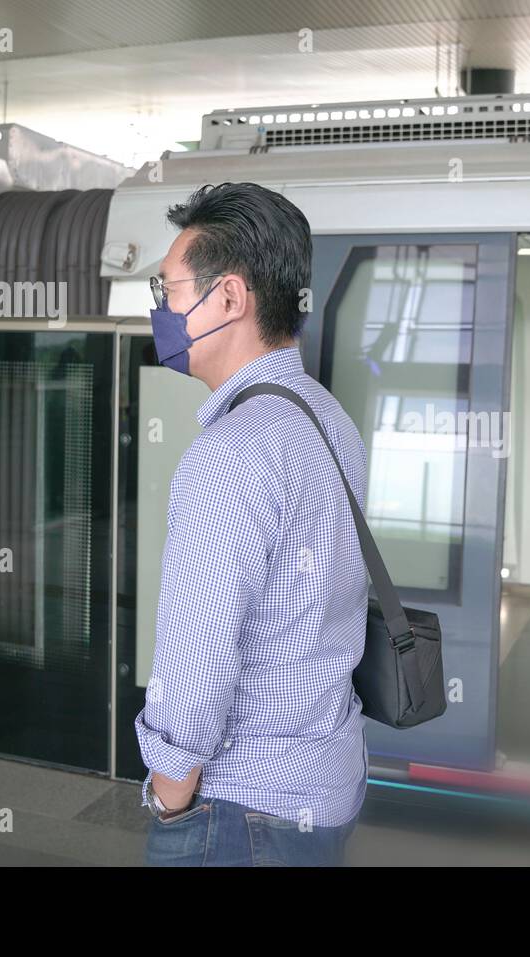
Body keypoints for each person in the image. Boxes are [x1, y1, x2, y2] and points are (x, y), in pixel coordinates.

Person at [134, 182, 368, 866]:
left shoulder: (228, 455)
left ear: (229, 298)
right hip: (325, 783)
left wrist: (170, 799)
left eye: (169, 290)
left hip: (242, 813)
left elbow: (196, 660)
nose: (162, 311)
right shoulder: (329, 421)